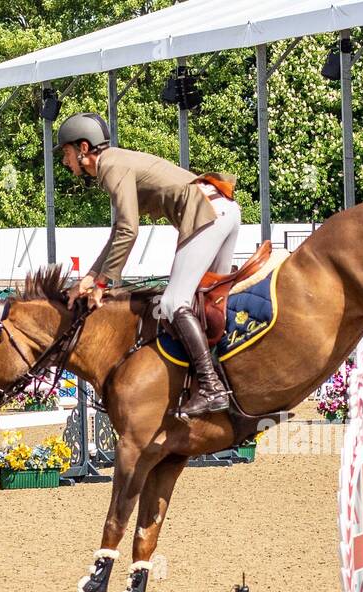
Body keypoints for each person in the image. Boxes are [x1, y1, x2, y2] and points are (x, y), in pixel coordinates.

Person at [57, 112, 241, 418]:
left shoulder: (110, 168)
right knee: (210, 300)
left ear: (84, 148)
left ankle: (210, 386)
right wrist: (91, 276)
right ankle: (228, 381)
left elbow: (129, 229)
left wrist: (104, 284)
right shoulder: (116, 161)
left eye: (66, 153)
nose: (65, 162)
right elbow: (120, 230)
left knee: (172, 302)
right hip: (225, 209)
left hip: (205, 214)